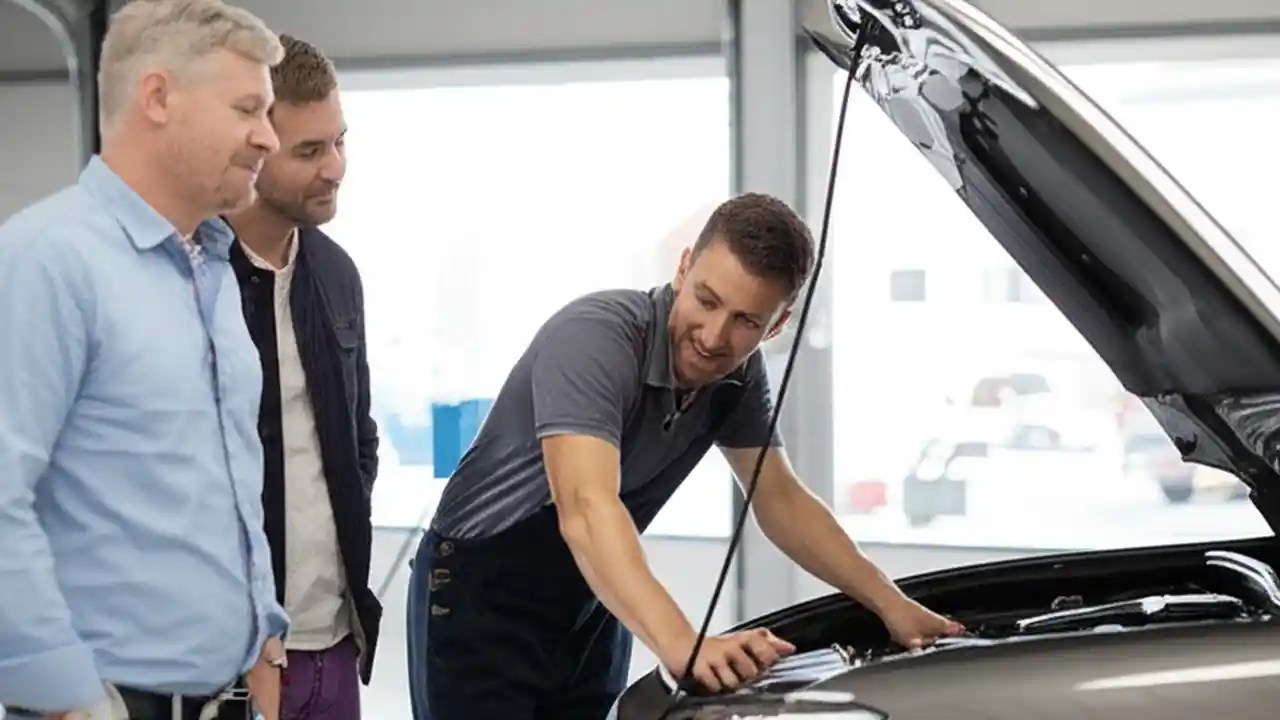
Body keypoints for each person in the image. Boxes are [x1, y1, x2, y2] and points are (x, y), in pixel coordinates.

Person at [406, 192, 965, 719]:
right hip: (479, 596)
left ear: (778, 324)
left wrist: (891, 604)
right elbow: (585, 505)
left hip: (591, 599)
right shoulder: (597, 338)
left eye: (746, 321)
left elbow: (780, 498)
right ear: (682, 270)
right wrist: (682, 643)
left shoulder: (739, 378)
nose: (714, 337)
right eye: (706, 299)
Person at [0, 1, 290, 718]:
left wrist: (261, 639)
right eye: (248, 109)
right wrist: (66, 699)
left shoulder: (213, 269)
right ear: (158, 98)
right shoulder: (50, 260)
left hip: (222, 697)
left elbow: (211, 487)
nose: (267, 138)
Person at [222, 33, 380, 720]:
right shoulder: (191, 280)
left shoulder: (338, 274)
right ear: (252, 146)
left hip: (333, 639)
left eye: (339, 141)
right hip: (232, 653)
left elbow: (358, 435)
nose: (336, 167)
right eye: (310, 151)